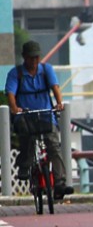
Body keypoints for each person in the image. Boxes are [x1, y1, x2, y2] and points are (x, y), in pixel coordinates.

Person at [5, 40, 73, 200]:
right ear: (24, 57)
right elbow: (11, 95)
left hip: (46, 115)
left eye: (36, 58)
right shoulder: (16, 73)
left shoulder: (46, 70)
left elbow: (55, 87)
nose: (34, 61)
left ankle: (59, 183)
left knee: (54, 147)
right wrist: (15, 109)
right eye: (30, 58)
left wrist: (59, 103)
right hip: (26, 116)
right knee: (27, 142)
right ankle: (24, 166)